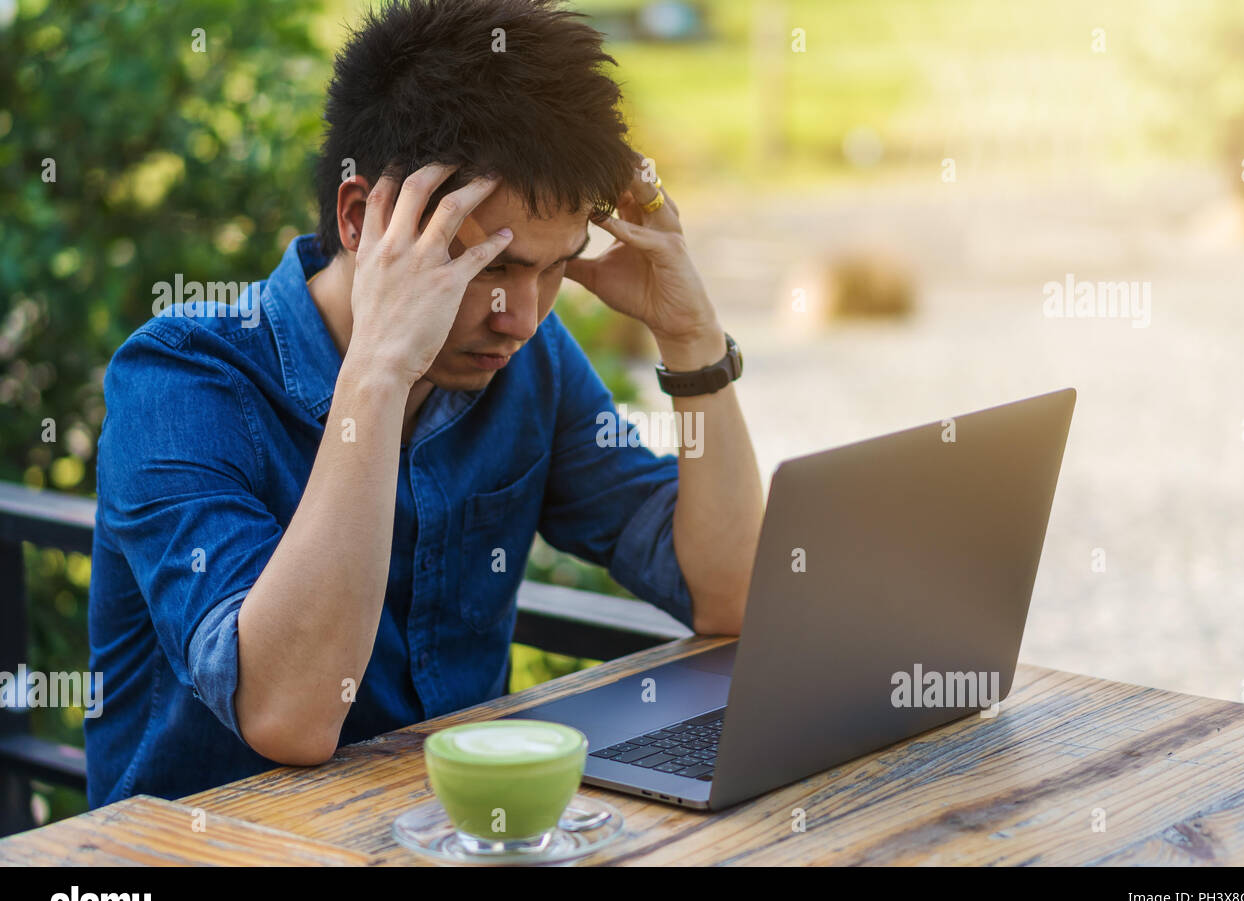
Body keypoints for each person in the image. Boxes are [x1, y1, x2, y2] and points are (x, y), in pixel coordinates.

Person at [86, 0, 762, 806]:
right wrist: (379, 371)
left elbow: (733, 594)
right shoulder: (179, 379)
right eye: (486, 266)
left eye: (555, 267)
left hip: (454, 836)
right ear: (359, 220)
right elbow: (289, 715)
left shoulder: (528, 362)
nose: (524, 316)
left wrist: (692, 343)